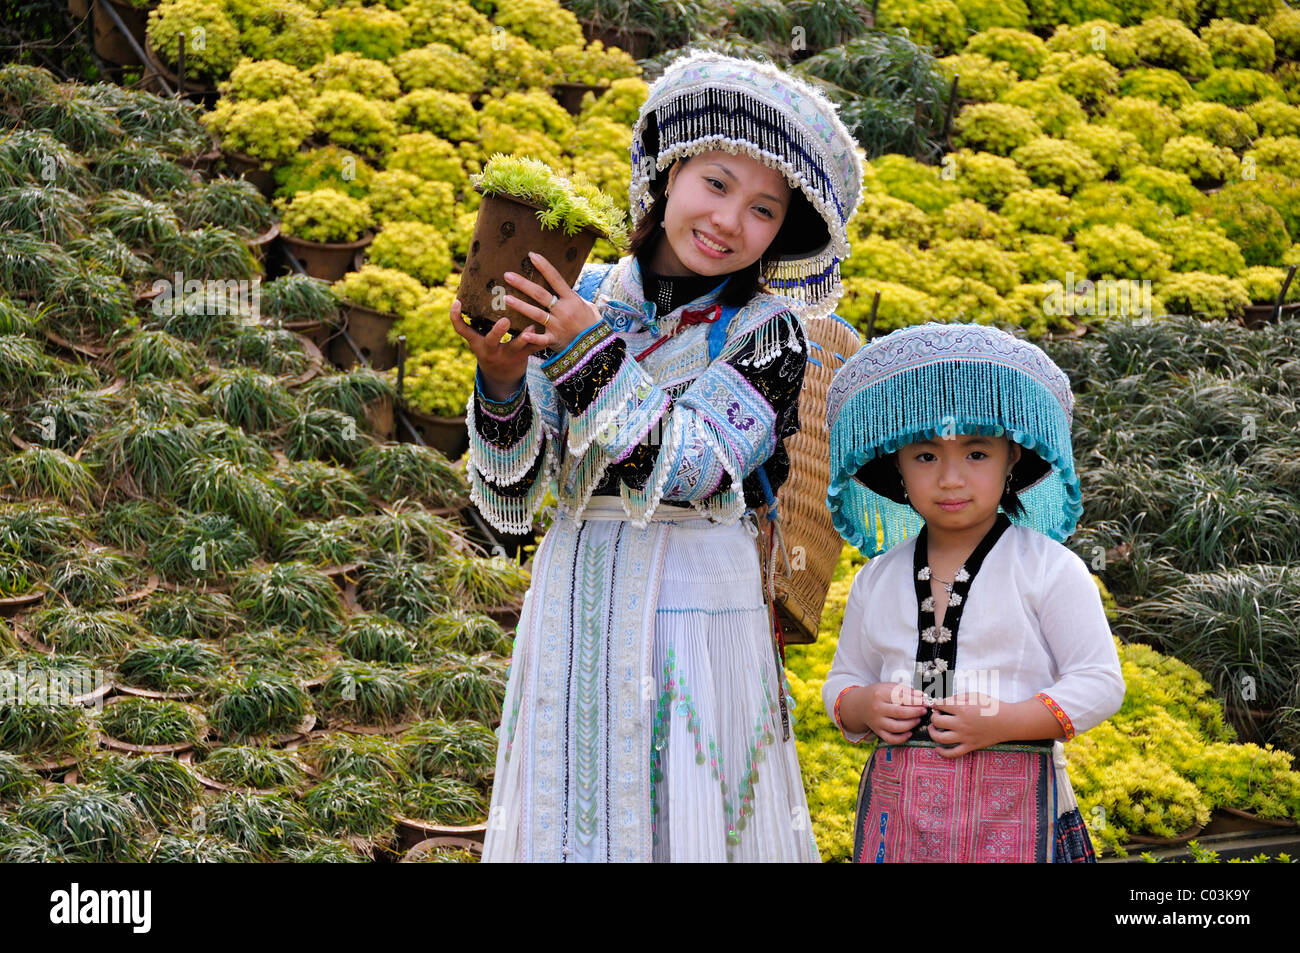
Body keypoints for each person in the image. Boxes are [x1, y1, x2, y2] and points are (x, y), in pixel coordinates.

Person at [451, 49, 864, 862]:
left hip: (699, 608)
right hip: (574, 595)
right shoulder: (582, 290)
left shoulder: (771, 336)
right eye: (715, 183)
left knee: (692, 817)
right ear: (669, 174)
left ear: (784, 232)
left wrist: (583, 349)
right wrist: (501, 379)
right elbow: (510, 500)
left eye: (763, 210)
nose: (728, 221)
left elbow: (692, 467)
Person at [820, 322, 1126, 862]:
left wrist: (1009, 720)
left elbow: (1100, 681)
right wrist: (863, 705)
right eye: (926, 455)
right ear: (896, 464)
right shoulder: (877, 577)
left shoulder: (1050, 569)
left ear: (1014, 458)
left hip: (1017, 812)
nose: (951, 479)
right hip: (899, 819)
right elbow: (844, 678)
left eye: (977, 453)